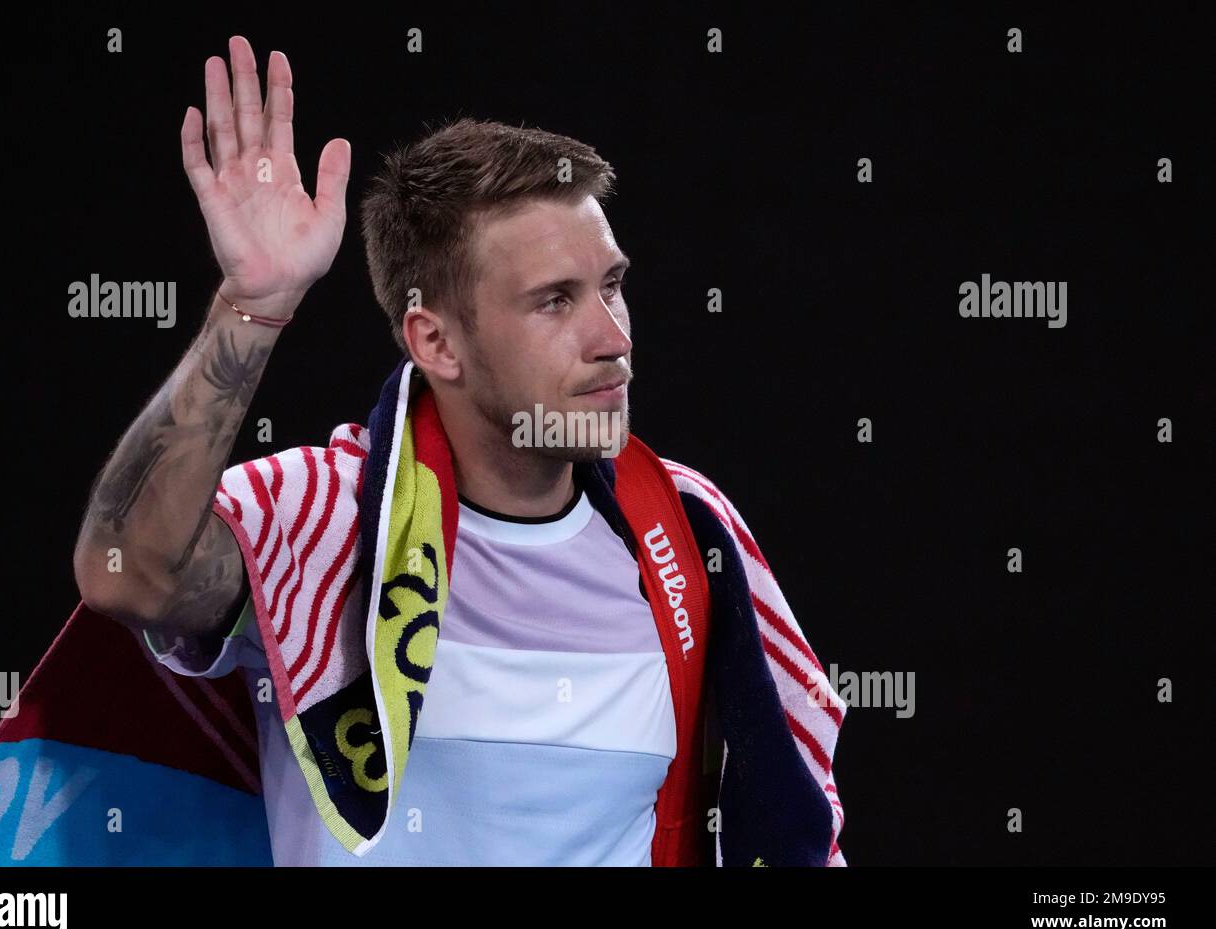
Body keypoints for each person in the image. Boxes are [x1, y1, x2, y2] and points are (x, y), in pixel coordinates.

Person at [71, 35, 846, 867]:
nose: (612, 338)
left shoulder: (692, 530)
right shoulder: (324, 517)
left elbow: (788, 815)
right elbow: (125, 573)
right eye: (555, 302)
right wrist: (253, 306)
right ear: (436, 343)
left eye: (612, 286)